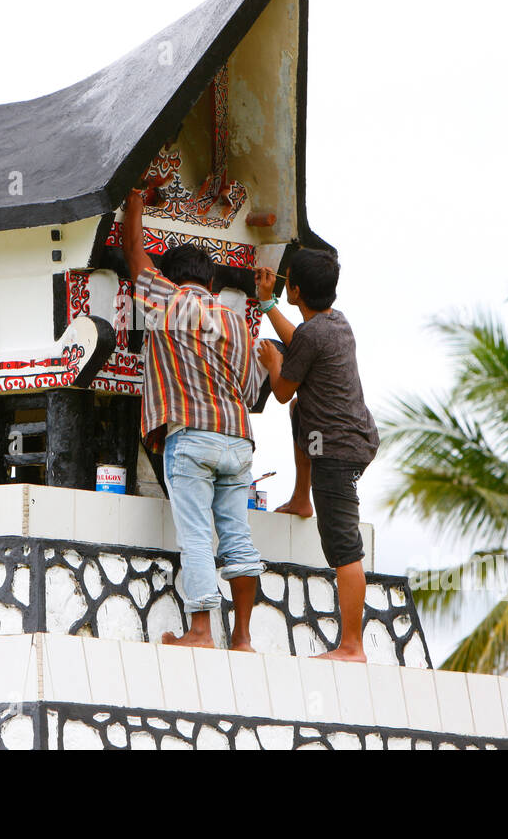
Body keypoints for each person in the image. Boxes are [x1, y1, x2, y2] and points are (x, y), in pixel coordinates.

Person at [122, 190, 266, 650]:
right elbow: (250, 390)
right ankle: (242, 638)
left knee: (197, 536)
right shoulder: (237, 321)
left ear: (174, 277)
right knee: (238, 539)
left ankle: (201, 632)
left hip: (192, 437)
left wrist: (134, 204)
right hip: (238, 440)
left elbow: (134, 258)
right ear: (212, 279)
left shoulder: (168, 301)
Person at [255, 250, 380, 662]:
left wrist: (274, 363)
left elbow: (282, 390)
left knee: (344, 545)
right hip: (351, 437)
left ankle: (352, 646)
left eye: (285, 281)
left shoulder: (311, 335)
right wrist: (268, 303)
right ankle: (300, 498)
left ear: (295, 290)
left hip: (338, 451)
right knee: (300, 415)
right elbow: (302, 342)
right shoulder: (336, 323)